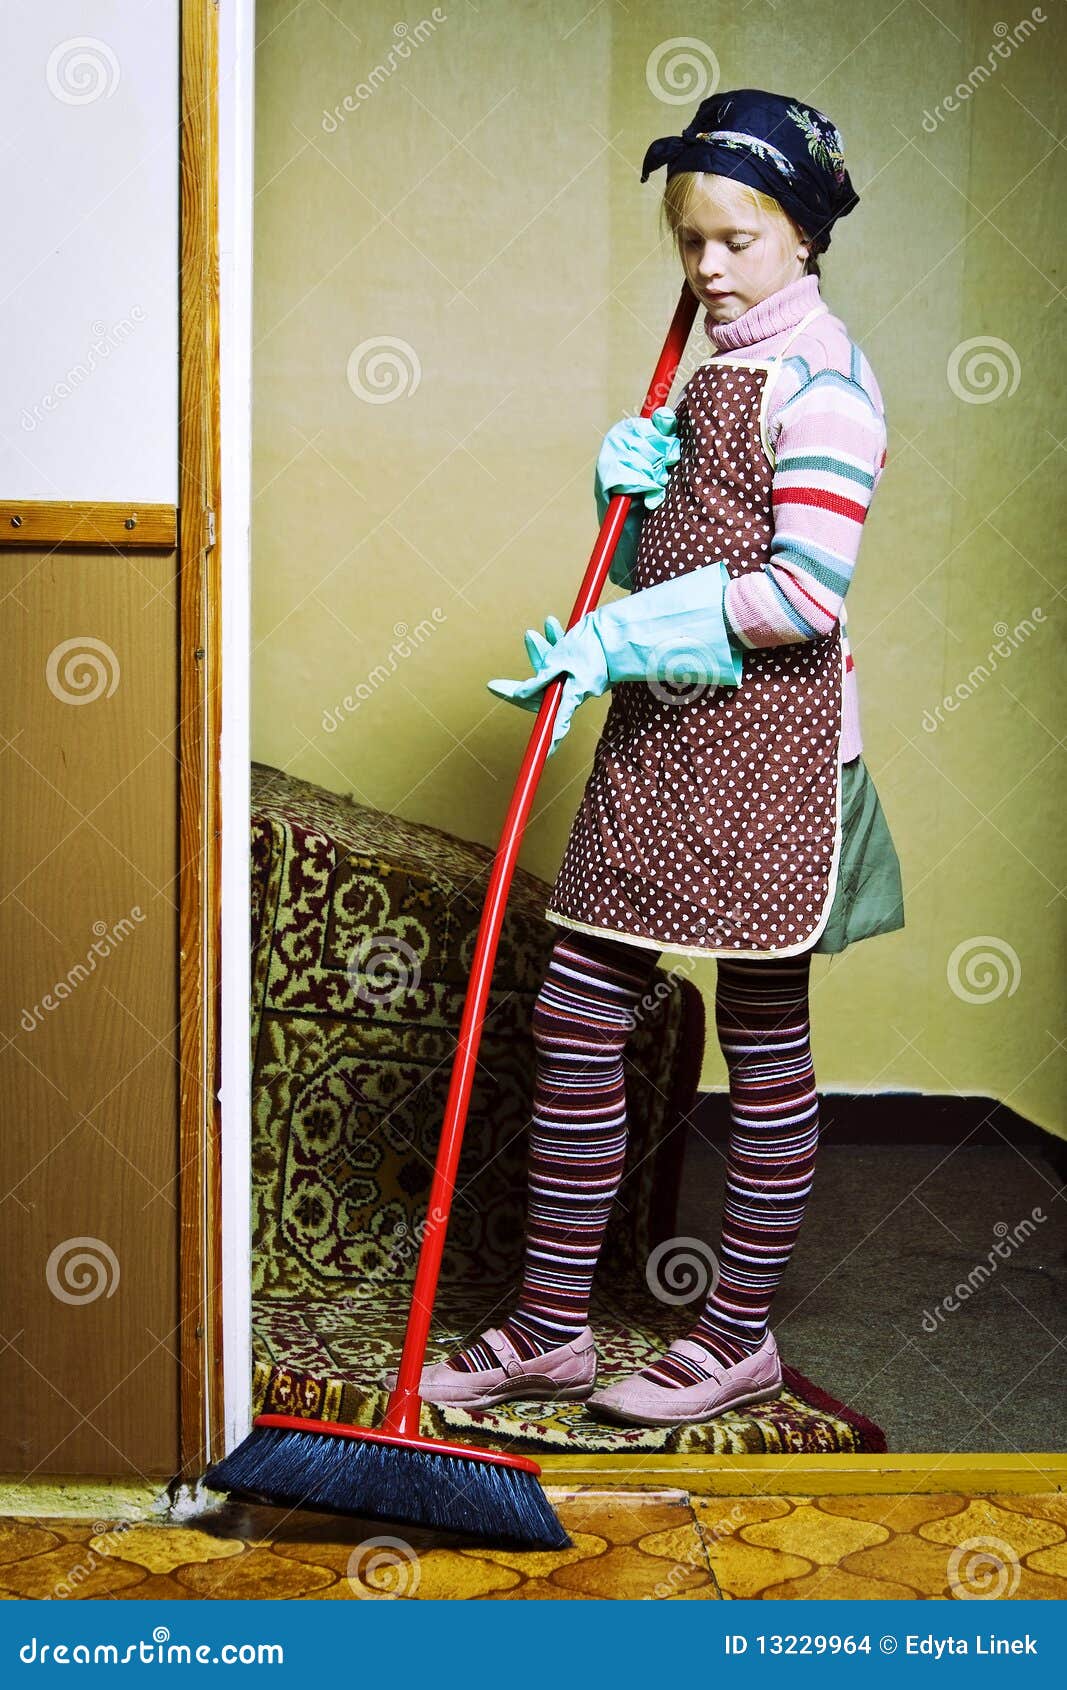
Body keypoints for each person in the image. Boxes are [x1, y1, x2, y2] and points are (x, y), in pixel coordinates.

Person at [409, 88, 904, 1428]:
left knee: (762, 1034)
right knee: (575, 1009)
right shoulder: (707, 366)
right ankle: (549, 1326)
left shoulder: (830, 387)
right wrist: (618, 510)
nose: (706, 267)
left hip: (775, 757)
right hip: (662, 742)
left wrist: (618, 635)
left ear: (803, 232)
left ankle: (735, 1331)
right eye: (688, 239)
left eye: (736, 239)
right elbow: (674, 563)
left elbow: (800, 598)